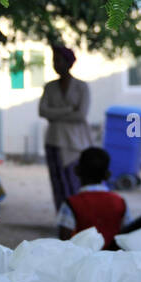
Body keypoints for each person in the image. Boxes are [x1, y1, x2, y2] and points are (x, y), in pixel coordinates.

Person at [39, 45, 91, 212]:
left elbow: (81, 115)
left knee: (75, 183)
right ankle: (63, 220)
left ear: (68, 63)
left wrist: (54, 115)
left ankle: (78, 218)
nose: (56, 64)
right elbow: (42, 111)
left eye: (59, 60)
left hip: (76, 143)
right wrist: (69, 109)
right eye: (54, 61)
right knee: (58, 184)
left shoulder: (82, 87)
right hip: (53, 141)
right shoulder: (49, 87)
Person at [58, 147, 128, 247]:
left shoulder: (71, 204)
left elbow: (64, 240)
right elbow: (128, 233)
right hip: (113, 259)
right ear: (107, 175)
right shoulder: (120, 202)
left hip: (82, 260)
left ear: (77, 170)